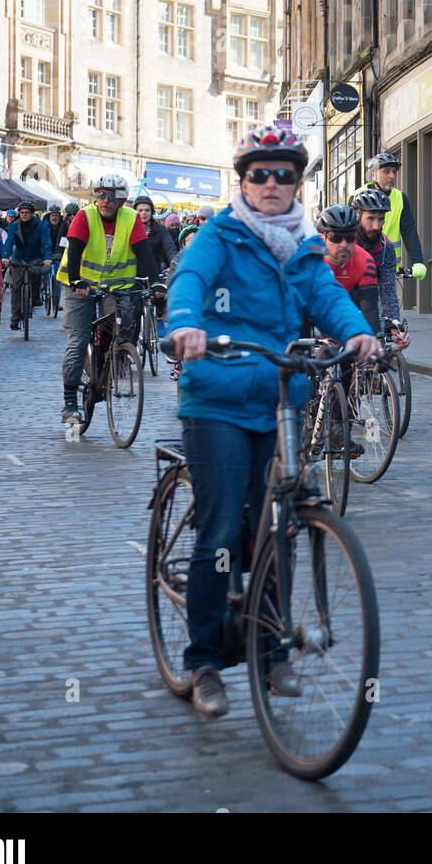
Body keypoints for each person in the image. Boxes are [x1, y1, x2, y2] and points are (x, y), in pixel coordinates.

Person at [167, 127, 381, 718]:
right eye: (259, 174)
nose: (271, 184)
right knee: (218, 535)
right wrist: (187, 324)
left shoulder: (305, 247)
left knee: (277, 526)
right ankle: (204, 660)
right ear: (243, 181)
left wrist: (357, 331)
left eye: (283, 174)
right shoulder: (221, 234)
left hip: (279, 396)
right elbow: (189, 280)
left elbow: (328, 299)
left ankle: (271, 650)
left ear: (296, 183)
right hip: (216, 399)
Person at [55, 175, 160, 423]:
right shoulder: (85, 216)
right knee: (78, 340)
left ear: (122, 200)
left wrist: (156, 283)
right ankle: (70, 403)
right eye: (101, 194)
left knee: (125, 323)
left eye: (111, 196)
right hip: (79, 284)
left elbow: (144, 254)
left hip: (117, 285)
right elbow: (76, 249)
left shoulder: (131, 218)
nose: (105, 201)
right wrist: (77, 281)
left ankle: (108, 363)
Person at [351, 150, 427, 281]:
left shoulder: (400, 198)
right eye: (386, 171)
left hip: (388, 267)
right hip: (360, 267)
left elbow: (409, 232)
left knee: (390, 300)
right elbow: (349, 231)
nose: (392, 176)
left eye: (394, 172)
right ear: (373, 174)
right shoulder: (357, 196)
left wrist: (418, 261)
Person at [352, 188, 411, 350]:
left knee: (377, 342)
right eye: (370, 218)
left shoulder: (386, 248)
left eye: (381, 219)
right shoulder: (344, 242)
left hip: (370, 295)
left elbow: (388, 291)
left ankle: (371, 374)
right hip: (342, 292)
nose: (377, 226)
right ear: (357, 215)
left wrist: (394, 326)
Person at [1, 200, 53, 330]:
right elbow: (9, 242)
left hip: (36, 256)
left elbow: (46, 242)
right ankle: (15, 317)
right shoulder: (14, 225)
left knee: (35, 275)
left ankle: (35, 297)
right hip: (19, 257)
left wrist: (47, 258)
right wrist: (6, 257)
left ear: (32, 214)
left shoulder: (40, 225)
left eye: (27, 213)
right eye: (22, 212)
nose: (24, 215)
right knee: (16, 288)